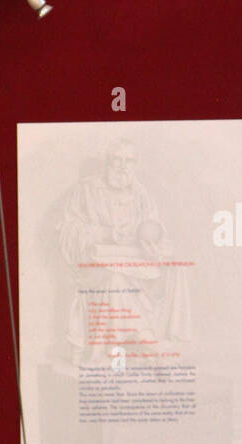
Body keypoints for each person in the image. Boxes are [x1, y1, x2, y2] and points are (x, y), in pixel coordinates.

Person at [57, 139, 190, 364]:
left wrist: (154, 247)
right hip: (95, 267)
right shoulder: (86, 190)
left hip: (135, 263)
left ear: (134, 165)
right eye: (117, 159)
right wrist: (106, 234)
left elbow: (155, 228)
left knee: (175, 269)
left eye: (129, 161)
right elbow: (67, 230)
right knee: (116, 279)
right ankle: (146, 341)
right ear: (108, 162)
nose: (122, 166)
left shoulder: (141, 194)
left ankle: (168, 339)